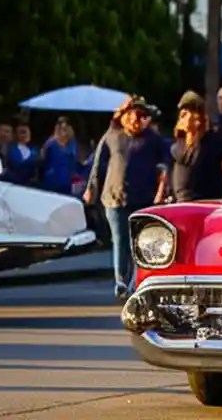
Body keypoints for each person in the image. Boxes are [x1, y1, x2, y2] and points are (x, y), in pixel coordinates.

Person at [84, 97, 171, 302]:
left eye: (142, 117)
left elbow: (165, 165)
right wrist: (91, 189)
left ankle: (137, 282)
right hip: (114, 197)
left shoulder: (153, 139)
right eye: (133, 115)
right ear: (124, 117)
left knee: (139, 243)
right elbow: (97, 164)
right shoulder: (112, 135)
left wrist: (161, 190)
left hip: (143, 198)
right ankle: (122, 282)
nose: (136, 120)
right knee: (120, 241)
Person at [169, 91, 222, 202]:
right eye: (182, 112)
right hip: (182, 205)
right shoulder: (176, 147)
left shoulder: (215, 141)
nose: (183, 115)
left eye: (187, 111)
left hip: (207, 205)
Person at [39, 117, 80, 195]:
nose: (64, 131)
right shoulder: (50, 144)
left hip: (68, 183)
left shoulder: (73, 144)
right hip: (51, 182)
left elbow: (75, 162)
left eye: (66, 128)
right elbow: (42, 160)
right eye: (61, 128)